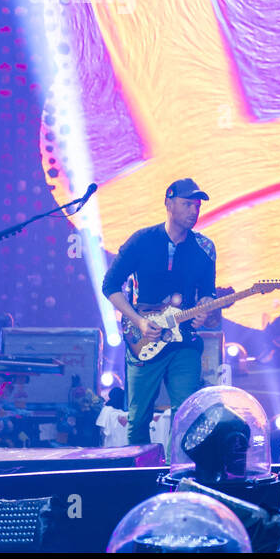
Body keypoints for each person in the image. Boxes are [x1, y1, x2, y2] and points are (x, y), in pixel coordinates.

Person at [101, 178, 218, 445]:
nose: (194, 211)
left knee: (186, 415)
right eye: (187, 204)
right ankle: (139, 480)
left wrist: (204, 310)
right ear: (168, 203)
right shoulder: (142, 240)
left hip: (184, 339)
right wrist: (138, 321)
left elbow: (208, 292)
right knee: (138, 417)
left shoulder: (205, 247)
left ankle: (177, 476)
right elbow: (110, 285)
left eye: (197, 206)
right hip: (145, 338)